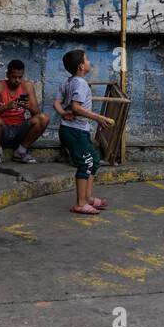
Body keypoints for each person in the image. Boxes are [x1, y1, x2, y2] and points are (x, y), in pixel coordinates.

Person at [55, 50, 114, 215]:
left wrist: (62, 113)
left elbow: (56, 102)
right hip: (74, 131)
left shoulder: (68, 82)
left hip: (76, 130)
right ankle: (80, 203)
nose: (89, 61)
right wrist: (98, 118)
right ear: (81, 66)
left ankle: (87, 198)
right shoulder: (80, 83)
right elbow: (76, 107)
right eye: (87, 59)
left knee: (94, 161)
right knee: (86, 163)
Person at [0, 59, 50, 166]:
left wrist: (29, 107)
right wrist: (7, 107)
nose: (17, 80)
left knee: (44, 118)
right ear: (7, 74)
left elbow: (37, 114)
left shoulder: (26, 86)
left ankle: (21, 151)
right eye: (14, 77)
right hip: (2, 130)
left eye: (20, 77)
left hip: (20, 130)